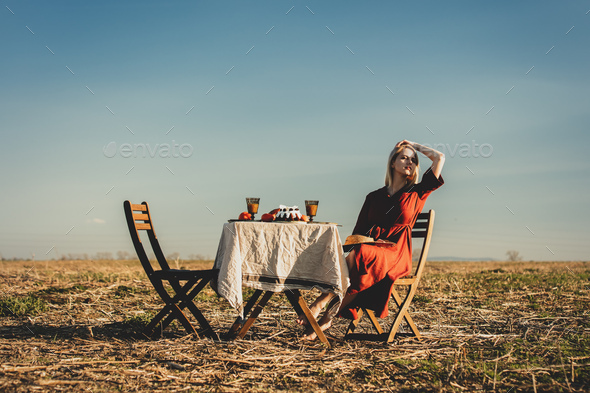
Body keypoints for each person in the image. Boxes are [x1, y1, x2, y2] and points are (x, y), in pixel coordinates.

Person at [298, 140, 445, 340]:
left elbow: (439, 158)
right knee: (352, 258)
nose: (409, 162)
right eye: (403, 157)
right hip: (368, 252)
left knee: (361, 256)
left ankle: (320, 304)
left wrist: (413, 145)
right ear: (392, 163)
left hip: (396, 253)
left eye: (413, 159)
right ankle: (328, 318)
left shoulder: (418, 192)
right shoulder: (374, 197)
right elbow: (358, 233)